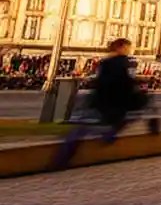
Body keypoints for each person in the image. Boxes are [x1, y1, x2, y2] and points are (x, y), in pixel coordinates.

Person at [52, 38, 149, 169]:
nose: (129, 50)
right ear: (120, 48)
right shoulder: (124, 63)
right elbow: (125, 84)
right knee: (122, 120)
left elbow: (100, 82)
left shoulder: (105, 62)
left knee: (81, 129)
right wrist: (138, 85)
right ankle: (108, 136)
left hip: (98, 102)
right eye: (127, 48)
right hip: (113, 106)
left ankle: (61, 159)